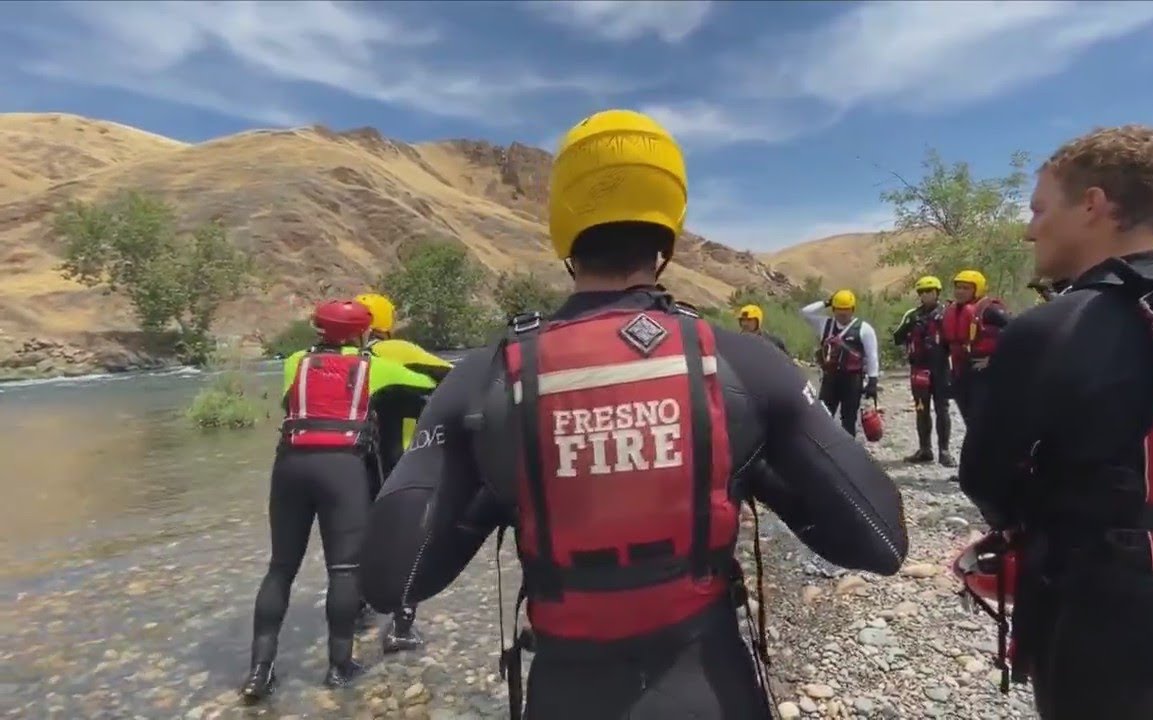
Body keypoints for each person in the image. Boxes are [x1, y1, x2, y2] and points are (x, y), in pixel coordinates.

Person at [358, 109, 909, 720]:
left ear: (564, 230)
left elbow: (389, 579)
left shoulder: (483, 378)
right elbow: (881, 541)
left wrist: (498, 488)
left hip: (566, 695)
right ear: (668, 234)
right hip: (711, 687)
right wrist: (750, 469)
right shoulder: (745, 363)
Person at [959, 124, 1153, 719]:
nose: (1030, 228)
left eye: (1039, 208)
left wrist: (1019, 528)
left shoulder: (1057, 326)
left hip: (1107, 619)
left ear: (1092, 205)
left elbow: (983, 478)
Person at [240, 300, 437, 702]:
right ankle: (339, 667)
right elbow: (430, 387)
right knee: (344, 570)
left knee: (280, 569)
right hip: (342, 471)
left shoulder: (295, 362)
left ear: (317, 329)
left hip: (290, 468)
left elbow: (290, 404)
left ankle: (259, 672)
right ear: (363, 333)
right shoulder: (373, 367)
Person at [352, 292, 454, 653]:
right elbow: (454, 375)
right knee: (410, 542)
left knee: (361, 534)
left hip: (357, 461)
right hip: (401, 460)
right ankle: (401, 626)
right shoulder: (397, 351)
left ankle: (356, 609)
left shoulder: (346, 357)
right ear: (386, 321)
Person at [891, 275, 954, 466]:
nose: (926, 295)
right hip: (919, 369)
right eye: (922, 292)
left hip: (941, 368)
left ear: (937, 292)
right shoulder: (912, 315)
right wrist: (911, 325)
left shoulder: (948, 314)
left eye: (930, 291)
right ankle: (925, 449)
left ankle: (944, 451)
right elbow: (897, 337)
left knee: (942, 409)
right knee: (921, 409)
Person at [800, 289, 881, 436]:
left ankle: (848, 453)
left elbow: (872, 356)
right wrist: (827, 302)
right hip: (830, 379)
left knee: (848, 419)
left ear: (853, 309)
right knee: (823, 417)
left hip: (852, 381)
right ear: (833, 309)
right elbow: (805, 312)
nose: (842, 313)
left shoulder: (864, 329)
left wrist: (873, 381)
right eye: (838, 309)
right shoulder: (825, 324)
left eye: (846, 309)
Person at [940, 269, 1010, 425]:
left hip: (983, 373)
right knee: (969, 420)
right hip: (960, 372)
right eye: (958, 287)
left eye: (966, 288)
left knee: (984, 420)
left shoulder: (990, 310)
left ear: (977, 289)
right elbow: (944, 346)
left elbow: (1015, 331)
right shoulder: (950, 312)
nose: (960, 292)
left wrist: (993, 359)